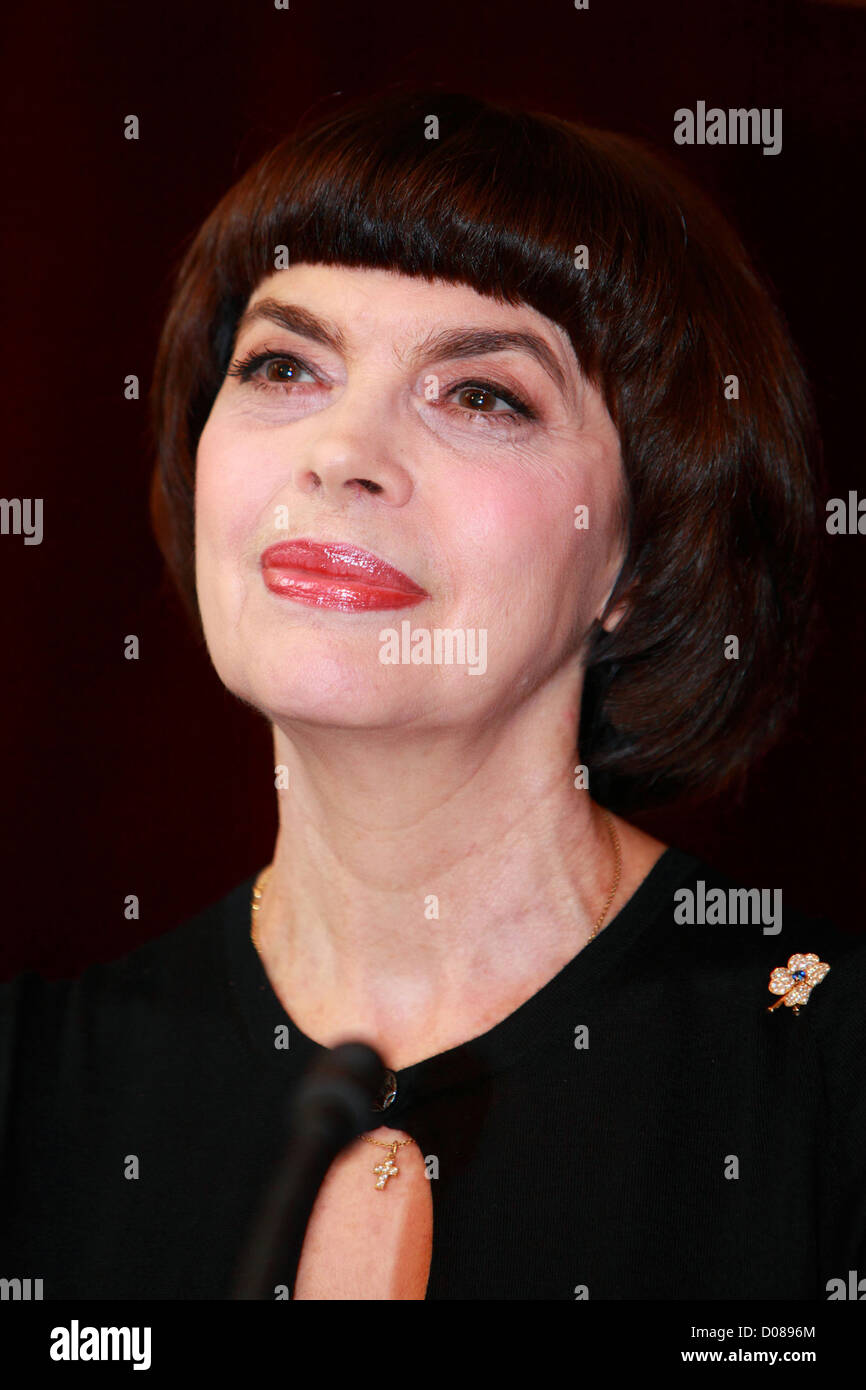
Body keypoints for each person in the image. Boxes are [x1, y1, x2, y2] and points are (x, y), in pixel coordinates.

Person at [1, 87, 863, 1302]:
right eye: (283, 364)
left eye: (482, 394)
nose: (340, 451)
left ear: (639, 560)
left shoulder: (826, 1078)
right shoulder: (30, 1091)